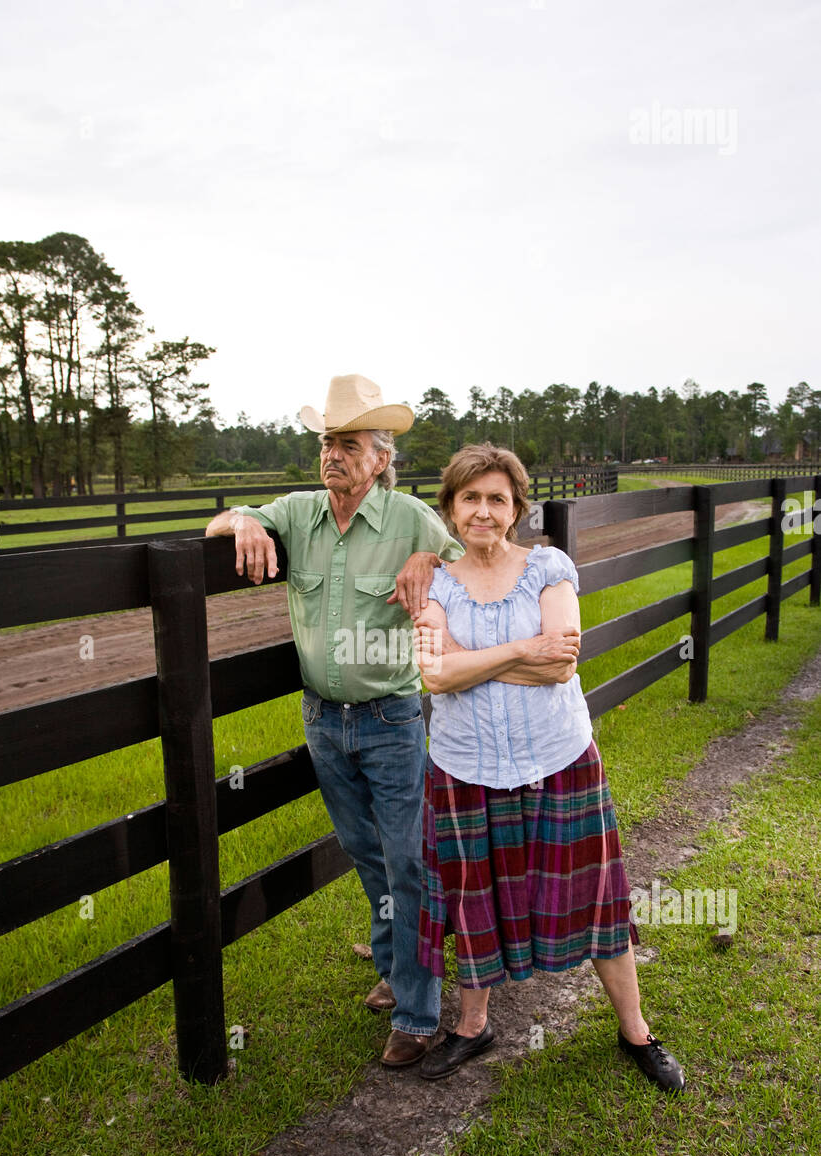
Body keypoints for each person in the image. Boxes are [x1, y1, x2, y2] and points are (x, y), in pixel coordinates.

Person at [206, 375, 464, 1066]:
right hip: (323, 722)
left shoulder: (411, 518)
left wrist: (431, 556)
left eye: (349, 444)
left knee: (408, 861)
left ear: (380, 458)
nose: (333, 455)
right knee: (367, 854)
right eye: (327, 442)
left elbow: (480, 567)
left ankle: (417, 1013)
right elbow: (215, 526)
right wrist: (243, 519)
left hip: (392, 718)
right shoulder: (295, 513)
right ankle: (394, 967)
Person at [412, 442, 686, 1091]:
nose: (484, 510)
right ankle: (473, 1027)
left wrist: (473, 661)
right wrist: (519, 649)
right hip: (464, 768)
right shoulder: (434, 583)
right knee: (473, 903)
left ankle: (636, 1031)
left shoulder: (548, 566)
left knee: (596, 899)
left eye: (497, 498)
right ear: (451, 507)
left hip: (557, 759)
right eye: (471, 497)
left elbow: (562, 662)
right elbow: (433, 674)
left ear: (516, 507)